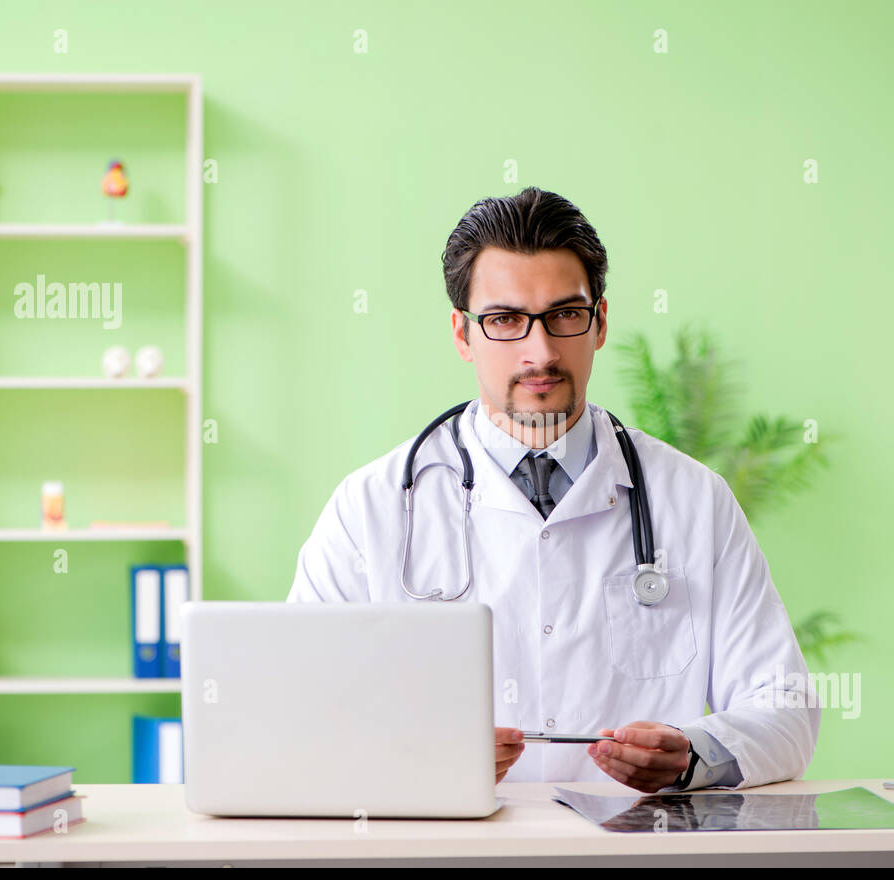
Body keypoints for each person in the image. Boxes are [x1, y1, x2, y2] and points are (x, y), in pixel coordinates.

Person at [288, 186, 820, 792]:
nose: (540, 352)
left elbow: (787, 708)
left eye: (566, 314)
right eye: (506, 320)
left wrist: (695, 754)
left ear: (599, 324)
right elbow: (302, 711)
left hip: (634, 855)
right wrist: (413, 756)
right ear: (463, 334)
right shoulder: (371, 509)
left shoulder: (694, 500)